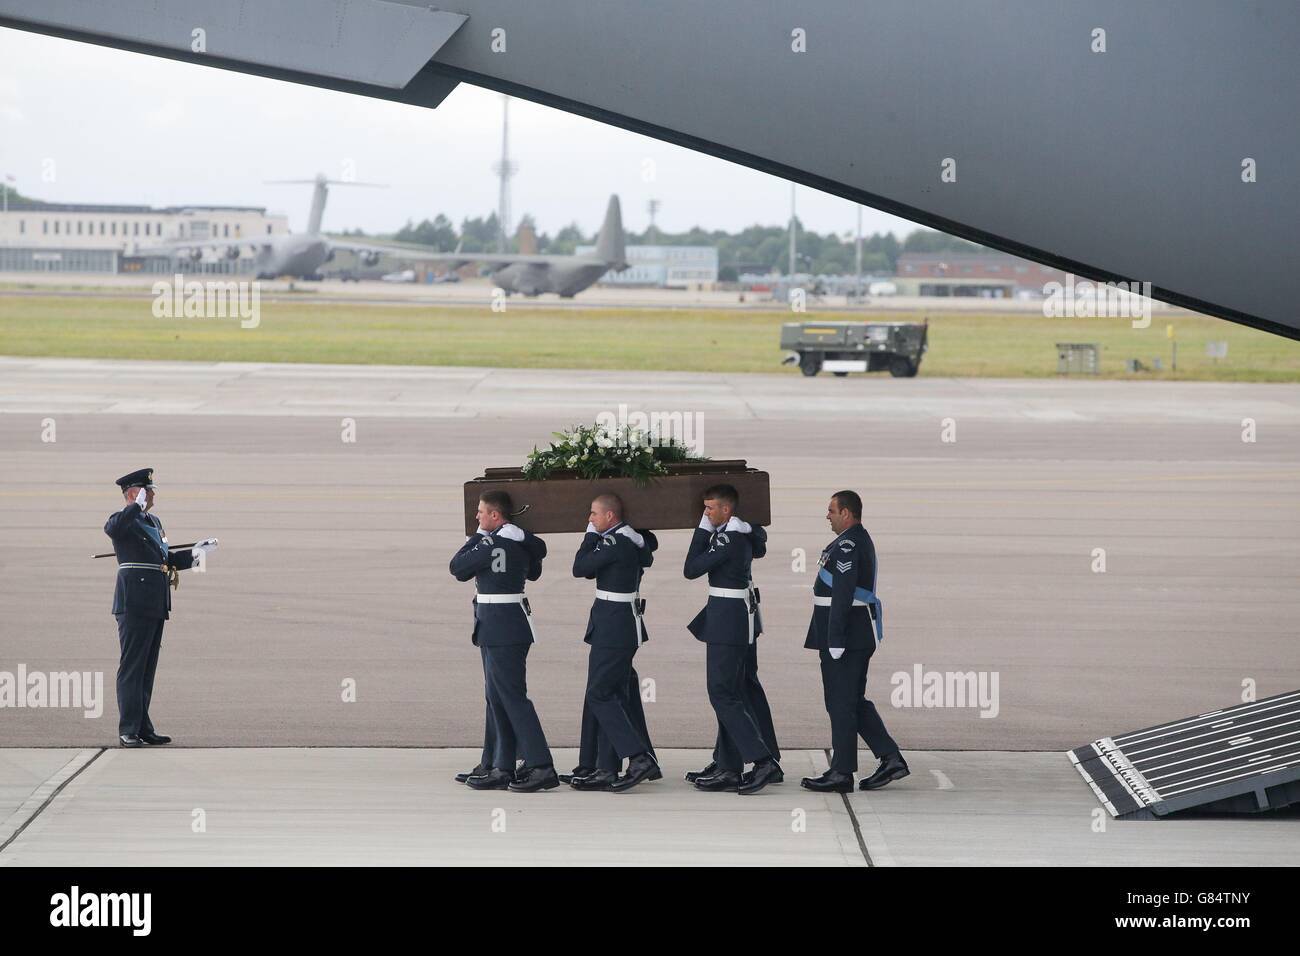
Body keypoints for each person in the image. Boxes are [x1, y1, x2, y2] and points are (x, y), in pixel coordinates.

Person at [800, 490, 909, 793]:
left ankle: (842, 772)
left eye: (832, 510)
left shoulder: (848, 544)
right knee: (851, 702)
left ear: (846, 513)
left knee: (840, 704)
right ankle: (890, 758)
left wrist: (835, 639)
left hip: (847, 636)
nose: (828, 515)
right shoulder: (850, 540)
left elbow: (843, 594)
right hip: (850, 634)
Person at [449, 491, 557, 792]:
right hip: (504, 625)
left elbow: (457, 568)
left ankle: (541, 764)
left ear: (496, 516)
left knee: (511, 697)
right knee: (496, 697)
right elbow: (536, 564)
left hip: (501, 627)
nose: (477, 517)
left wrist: (481, 536)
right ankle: (498, 763)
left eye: (482, 512)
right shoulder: (521, 543)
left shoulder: (490, 543)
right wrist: (519, 536)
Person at [103, 468, 217, 747]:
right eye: (147, 490)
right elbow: (113, 529)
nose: (152, 494)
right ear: (134, 493)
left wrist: (197, 554)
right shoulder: (124, 520)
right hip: (134, 603)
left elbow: (166, 559)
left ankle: (143, 727)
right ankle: (128, 729)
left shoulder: (153, 521)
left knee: (146, 669)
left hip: (155, 602)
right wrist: (135, 507)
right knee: (132, 668)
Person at [684, 484, 783, 795]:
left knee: (722, 693)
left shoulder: (728, 537)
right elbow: (760, 544)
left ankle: (762, 760)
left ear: (727, 510)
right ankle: (728, 764)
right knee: (734, 692)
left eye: (710, 508)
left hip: (728, 620)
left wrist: (703, 530)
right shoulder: (737, 532)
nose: (706, 512)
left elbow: (691, 568)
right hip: (736, 616)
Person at [567, 494, 660, 791]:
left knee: (600, 694)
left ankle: (637, 757)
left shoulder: (616, 542)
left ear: (610, 516)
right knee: (610, 692)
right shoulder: (626, 541)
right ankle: (603, 767)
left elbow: (580, 567)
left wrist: (589, 536)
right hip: (616, 623)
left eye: (594, 514)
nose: (590, 519)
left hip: (614, 626)